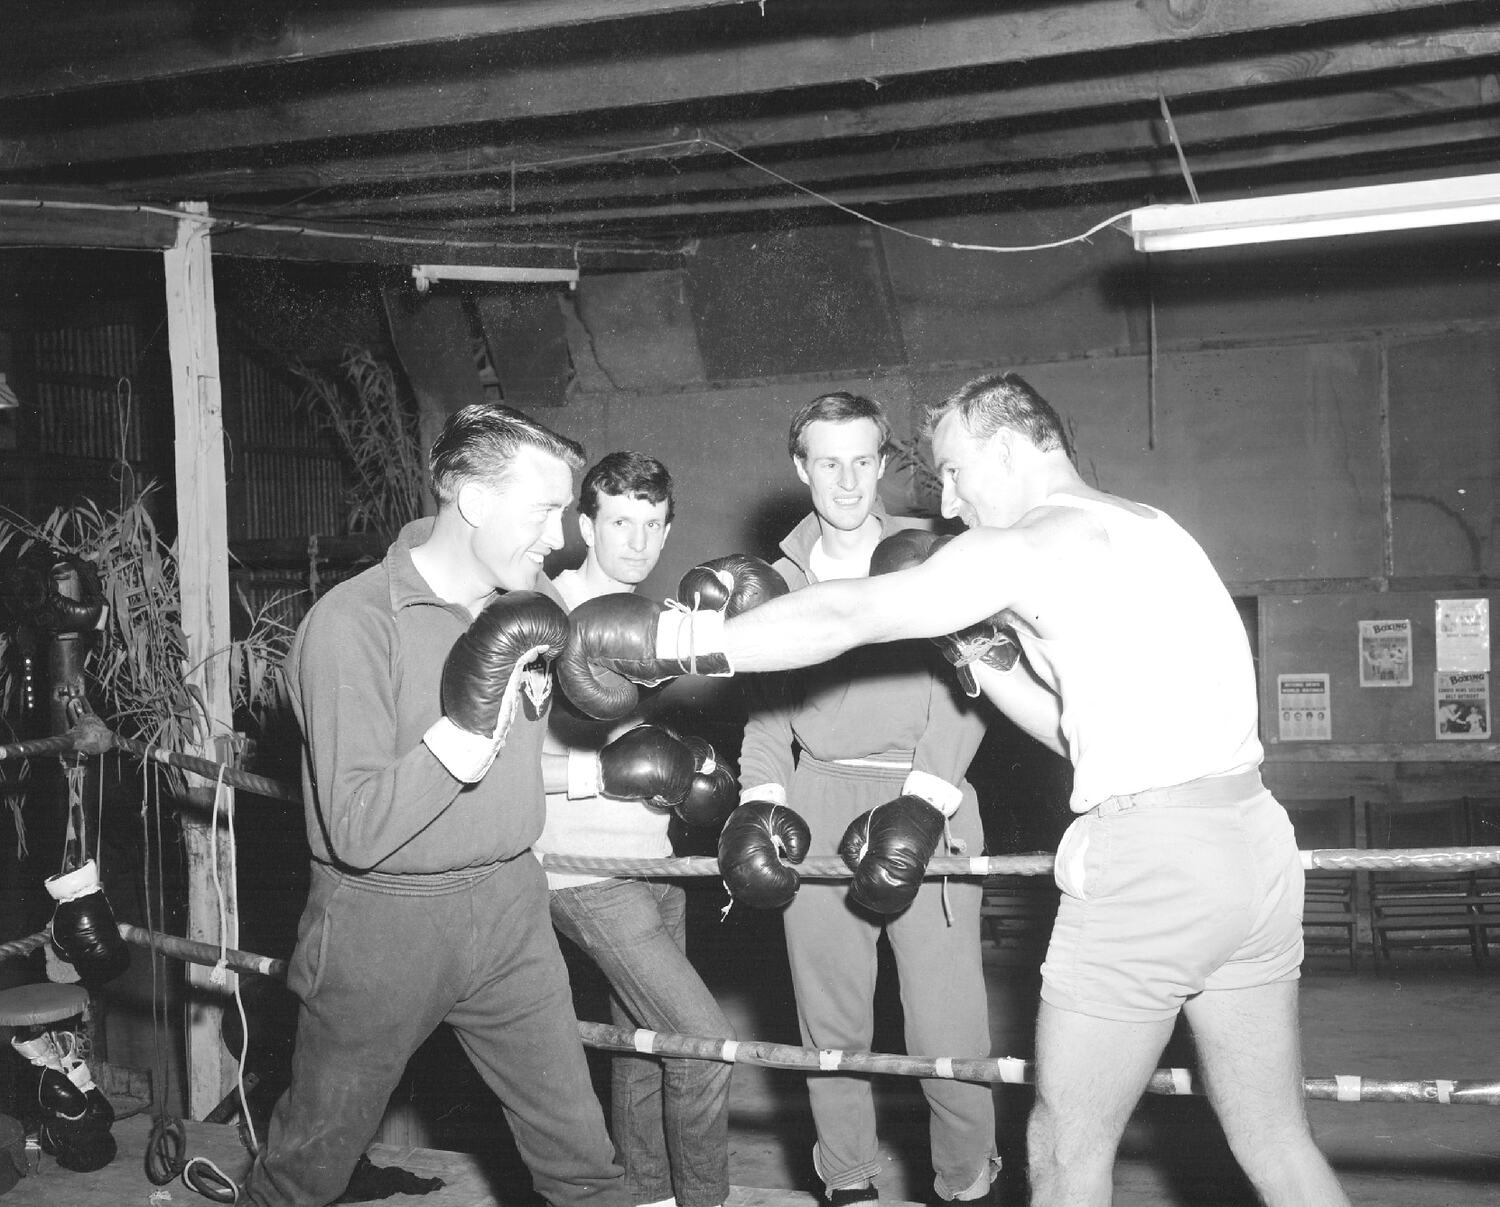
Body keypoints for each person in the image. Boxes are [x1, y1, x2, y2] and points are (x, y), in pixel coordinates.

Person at [561, 373, 1351, 1207]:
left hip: (1152, 856)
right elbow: (1069, 729)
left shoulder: (1021, 542)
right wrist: (976, 650)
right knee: (1274, 1136)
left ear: (1005, 449)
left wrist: (676, 639)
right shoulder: (1152, 526)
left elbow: (843, 618)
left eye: (958, 476)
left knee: (1063, 1149)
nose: (955, 506)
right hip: (1254, 844)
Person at [243, 404, 629, 1207]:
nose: (559, 537)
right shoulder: (351, 623)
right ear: (476, 501)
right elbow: (353, 825)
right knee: (308, 1164)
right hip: (385, 925)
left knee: (581, 1153)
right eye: (544, 510)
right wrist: (459, 737)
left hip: (511, 906)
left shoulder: (520, 608)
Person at [732, 393, 998, 1207]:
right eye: (827, 461)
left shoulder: (932, 557)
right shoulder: (773, 580)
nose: (847, 480)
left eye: (862, 460)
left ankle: (965, 1183)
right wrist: (760, 799)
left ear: (882, 464)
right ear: (800, 469)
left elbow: (971, 691)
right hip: (816, 799)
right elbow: (766, 710)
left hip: (927, 790)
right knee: (831, 1026)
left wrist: (923, 801)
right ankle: (848, 1180)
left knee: (945, 1028)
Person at [537, 451, 737, 1207]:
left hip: (654, 864)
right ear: (585, 524)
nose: (637, 540)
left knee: (644, 1051)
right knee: (704, 1042)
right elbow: (499, 767)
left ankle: (648, 1198)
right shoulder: (542, 614)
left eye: (653, 524)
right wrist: (601, 774)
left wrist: (683, 776)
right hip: (579, 870)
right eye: (620, 520)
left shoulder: (652, 624)